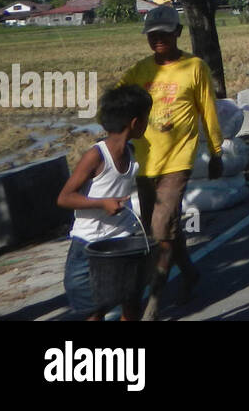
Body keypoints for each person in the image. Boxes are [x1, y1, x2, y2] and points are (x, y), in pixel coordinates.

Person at [118, 3, 222, 320]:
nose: (158, 40)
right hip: (146, 163)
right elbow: (118, 102)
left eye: (164, 33)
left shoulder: (194, 68)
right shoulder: (140, 72)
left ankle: (154, 303)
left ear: (177, 32)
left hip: (178, 161)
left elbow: (208, 111)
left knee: (161, 228)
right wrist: (113, 136)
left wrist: (216, 151)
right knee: (162, 231)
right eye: (152, 35)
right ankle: (189, 273)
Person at [57, 84, 152, 320]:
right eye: (146, 117)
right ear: (134, 122)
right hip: (90, 245)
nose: (148, 123)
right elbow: (65, 197)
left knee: (131, 303)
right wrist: (103, 203)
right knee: (94, 310)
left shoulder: (131, 152)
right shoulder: (96, 156)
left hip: (123, 240)